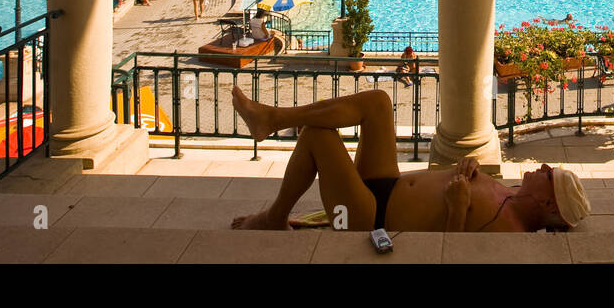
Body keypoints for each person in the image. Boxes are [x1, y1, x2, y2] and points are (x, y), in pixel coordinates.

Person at [229, 87, 590, 233]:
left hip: (372, 215)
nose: (543, 167)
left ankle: (274, 218)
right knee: (379, 103)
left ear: (549, 204)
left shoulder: (510, 230)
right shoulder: (509, 194)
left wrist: (456, 208)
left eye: (550, 174)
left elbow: (449, 258)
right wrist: (469, 168)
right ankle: (274, 118)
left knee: (317, 138)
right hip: (389, 183)